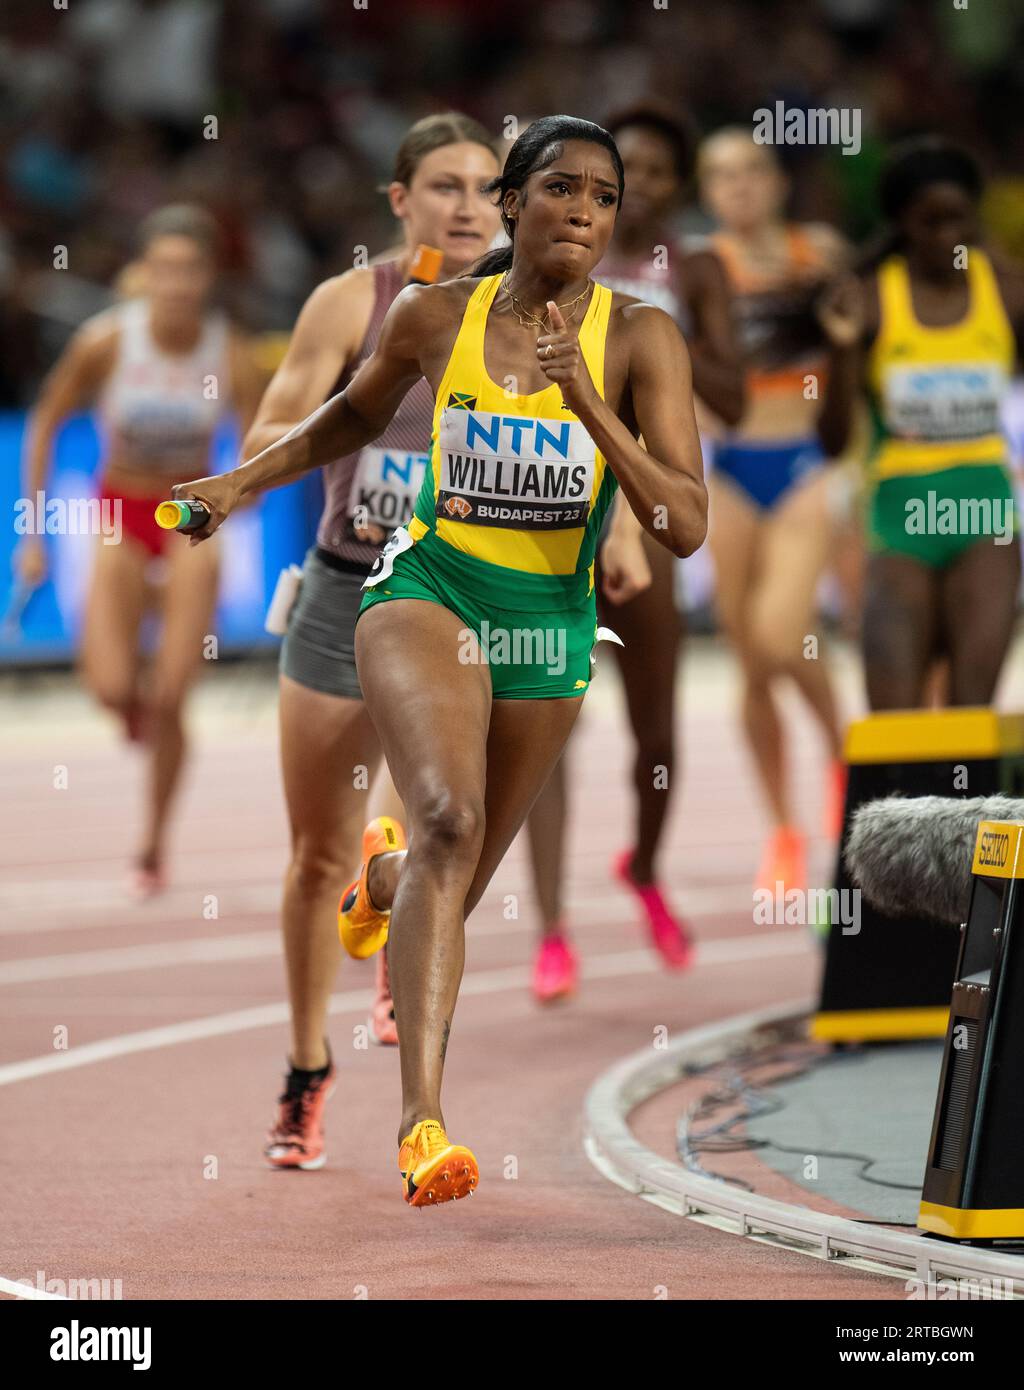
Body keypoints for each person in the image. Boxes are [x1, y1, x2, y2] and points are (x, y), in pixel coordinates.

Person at [173, 115, 707, 1207]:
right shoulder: (431, 315)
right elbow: (345, 419)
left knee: (442, 886)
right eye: (561, 189)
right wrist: (235, 486)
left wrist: (588, 403)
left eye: (604, 199)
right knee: (450, 824)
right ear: (513, 204)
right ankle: (422, 1122)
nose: (583, 213)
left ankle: (377, 878)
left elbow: (685, 524)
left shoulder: (641, 337)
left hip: (548, 624)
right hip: (430, 586)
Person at [241, 112, 503, 1169]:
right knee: (315, 851)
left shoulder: (526, 314)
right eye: (445, 186)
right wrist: (354, 412)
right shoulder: (353, 302)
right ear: (400, 201)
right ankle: (308, 1065)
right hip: (343, 588)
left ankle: (396, 923)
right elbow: (268, 430)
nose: (470, 205)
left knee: (431, 810)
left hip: (452, 600)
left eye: (488, 186)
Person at [525, 103, 744, 1001]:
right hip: (547, 515)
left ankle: (645, 867)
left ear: (676, 187)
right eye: (623, 172)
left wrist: (663, 343)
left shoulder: (691, 269)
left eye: (655, 174)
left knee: (655, 732)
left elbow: (729, 393)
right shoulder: (550, 252)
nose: (636, 189)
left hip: (649, 519)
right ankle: (550, 933)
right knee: (545, 729)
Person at [16, 205, 262, 896]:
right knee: (112, 687)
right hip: (120, 515)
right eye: (165, 270)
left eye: (190, 271)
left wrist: (245, 488)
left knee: (175, 693)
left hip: (189, 520)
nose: (178, 284)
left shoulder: (229, 348)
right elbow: (44, 421)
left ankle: (153, 844)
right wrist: (31, 537)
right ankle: (132, 708)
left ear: (209, 276)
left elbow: (259, 436)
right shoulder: (107, 342)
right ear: (145, 274)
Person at [818, 137, 1024, 710]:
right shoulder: (871, 302)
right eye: (929, 222)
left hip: (985, 511)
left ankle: (968, 805)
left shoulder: (1007, 293)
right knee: (896, 719)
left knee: (968, 713)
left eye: (959, 219)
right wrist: (840, 352)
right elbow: (832, 442)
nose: (947, 237)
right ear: (902, 223)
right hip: (899, 514)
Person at [698, 129, 849, 897]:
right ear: (708, 190)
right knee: (752, 661)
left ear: (778, 181)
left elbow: (860, 345)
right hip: (730, 468)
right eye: (722, 176)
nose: (740, 186)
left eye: (752, 170)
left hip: (802, 465)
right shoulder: (701, 268)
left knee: (783, 634)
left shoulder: (817, 252)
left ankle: (841, 754)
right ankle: (783, 830)